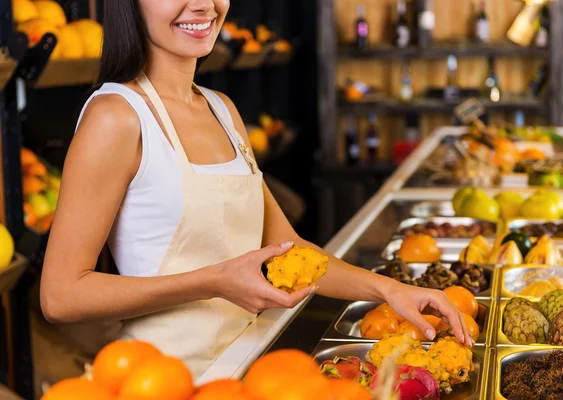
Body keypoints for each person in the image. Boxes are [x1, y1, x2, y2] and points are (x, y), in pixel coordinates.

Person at [40, 0, 472, 380]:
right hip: (166, 378)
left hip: (249, 366)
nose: (204, 5)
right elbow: (61, 296)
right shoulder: (115, 115)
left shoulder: (221, 108)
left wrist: (390, 290)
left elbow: (290, 249)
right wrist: (215, 281)